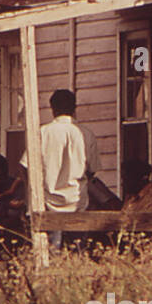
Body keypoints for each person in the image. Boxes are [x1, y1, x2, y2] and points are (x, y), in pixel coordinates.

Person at [20, 89, 100, 249]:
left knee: (50, 253)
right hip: (77, 202)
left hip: (47, 203)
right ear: (74, 108)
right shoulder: (86, 134)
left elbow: (26, 167)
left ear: (53, 109)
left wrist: (34, 192)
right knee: (76, 253)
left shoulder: (43, 133)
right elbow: (91, 170)